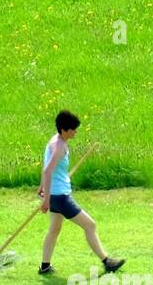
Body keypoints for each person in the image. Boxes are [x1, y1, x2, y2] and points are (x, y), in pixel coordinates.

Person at [38, 110, 124, 275]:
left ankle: (45, 266)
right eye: (73, 129)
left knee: (54, 229)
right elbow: (48, 171)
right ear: (64, 130)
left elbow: (46, 170)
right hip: (60, 197)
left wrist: (42, 187)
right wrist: (46, 200)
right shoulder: (59, 147)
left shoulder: (55, 141)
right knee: (90, 225)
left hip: (55, 194)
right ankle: (107, 262)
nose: (76, 132)